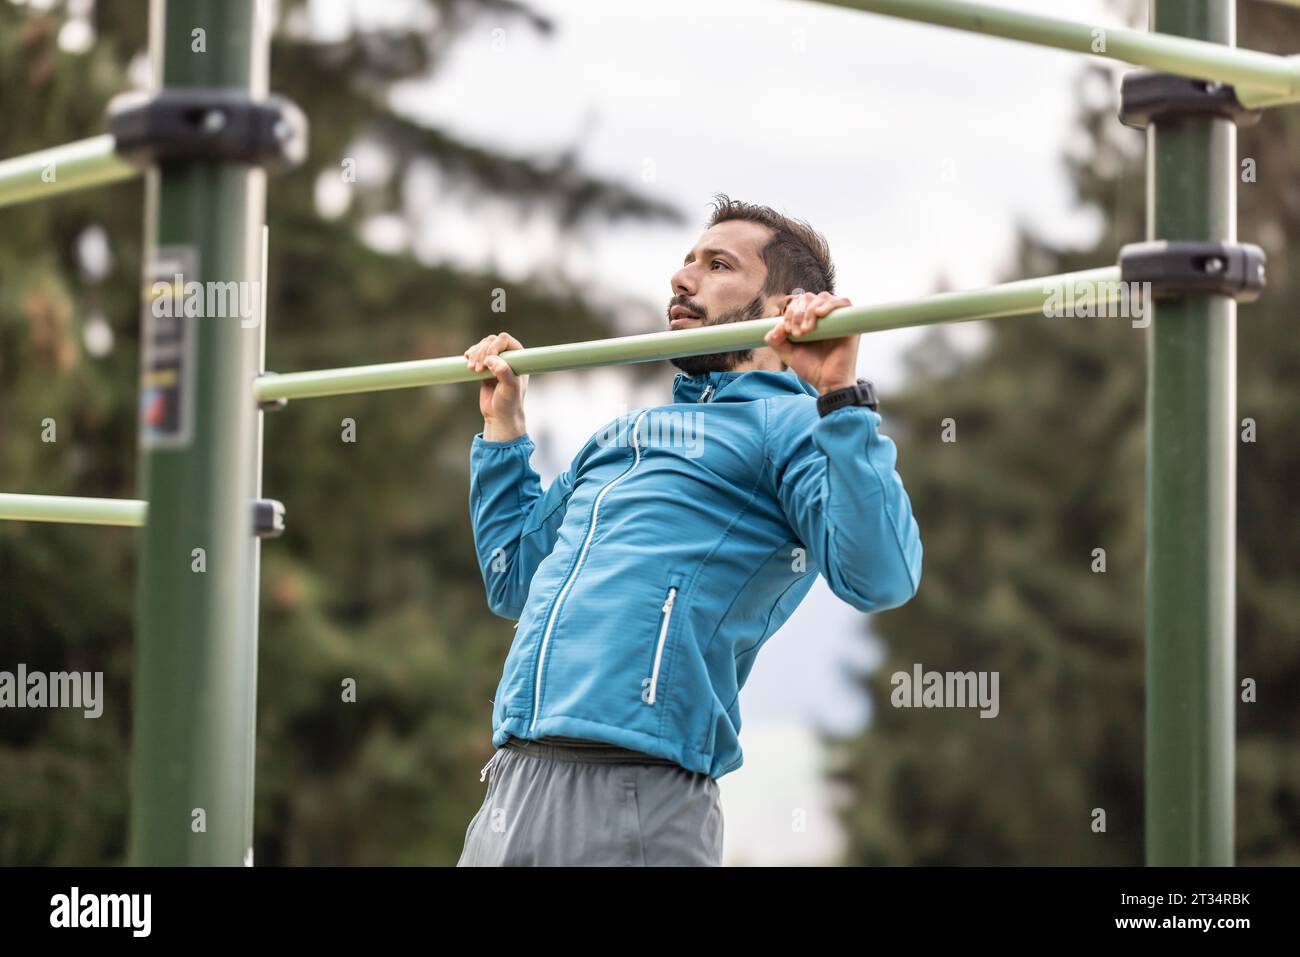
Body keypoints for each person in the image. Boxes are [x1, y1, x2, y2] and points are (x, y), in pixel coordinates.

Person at [456, 194, 923, 866]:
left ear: (778, 309)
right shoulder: (622, 435)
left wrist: (840, 398)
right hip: (513, 780)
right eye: (685, 261)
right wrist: (502, 432)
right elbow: (512, 580)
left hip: (635, 790)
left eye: (717, 264)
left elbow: (882, 575)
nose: (682, 278)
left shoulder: (790, 426)